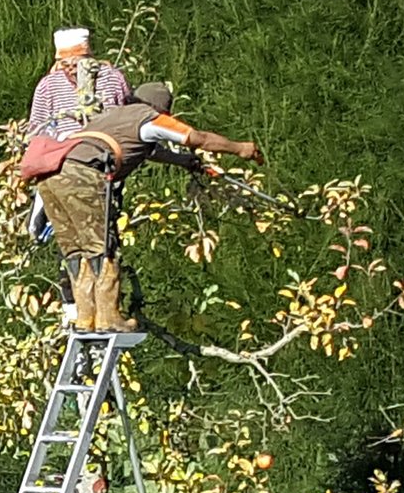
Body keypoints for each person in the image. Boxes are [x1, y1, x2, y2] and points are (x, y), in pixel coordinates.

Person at [44, 80, 261, 333]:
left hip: (51, 177)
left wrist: (182, 162)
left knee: (77, 251)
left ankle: (85, 318)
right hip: (82, 177)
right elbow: (196, 138)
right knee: (103, 248)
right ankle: (108, 319)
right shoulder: (150, 118)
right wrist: (240, 148)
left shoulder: (114, 117)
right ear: (162, 109)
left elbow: (149, 149)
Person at [26, 27, 131, 143]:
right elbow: (37, 128)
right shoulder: (48, 86)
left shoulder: (112, 78)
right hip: (65, 151)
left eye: (76, 65)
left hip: (109, 144)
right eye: (65, 65)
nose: (71, 70)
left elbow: (128, 114)